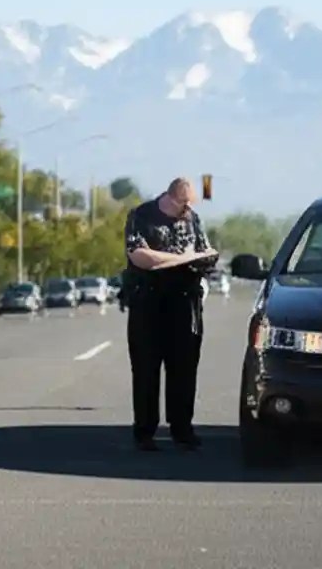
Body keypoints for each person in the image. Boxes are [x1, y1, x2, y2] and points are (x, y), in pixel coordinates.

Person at [123, 177, 218, 451]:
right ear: (170, 197)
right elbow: (139, 255)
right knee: (145, 370)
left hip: (185, 301)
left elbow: (205, 250)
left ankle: (182, 430)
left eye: (191, 204)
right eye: (183, 203)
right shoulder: (142, 216)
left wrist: (192, 259)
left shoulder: (193, 219)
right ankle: (144, 432)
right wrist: (182, 259)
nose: (187, 209)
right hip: (148, 301)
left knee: (184, 369)